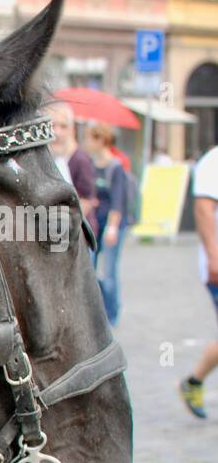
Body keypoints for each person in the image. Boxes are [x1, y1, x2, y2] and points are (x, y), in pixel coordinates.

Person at [180, 143, 218, 419]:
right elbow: (204, 208)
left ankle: (193, 381)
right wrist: (214, 257)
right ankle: (192, 382)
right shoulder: (213, 161)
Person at [85, 123, 129, 325]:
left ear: (100, 141)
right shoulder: (92, 166)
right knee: (90, 269)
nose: (87, 143)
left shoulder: (116, 167)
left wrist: (112, 228)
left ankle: (112, 314)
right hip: (95, 222)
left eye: (90, 139)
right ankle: (96, 313)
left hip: (112, 224)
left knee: (109, 271)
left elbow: (118, 200)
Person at [49, 102, 98, 235]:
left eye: (63, 126)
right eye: (52, 125)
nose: (57, 132)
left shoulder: (80, 159)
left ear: (72, 130)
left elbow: (87, 199)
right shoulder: (46, 158)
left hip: (76, 234)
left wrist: (65, 225)